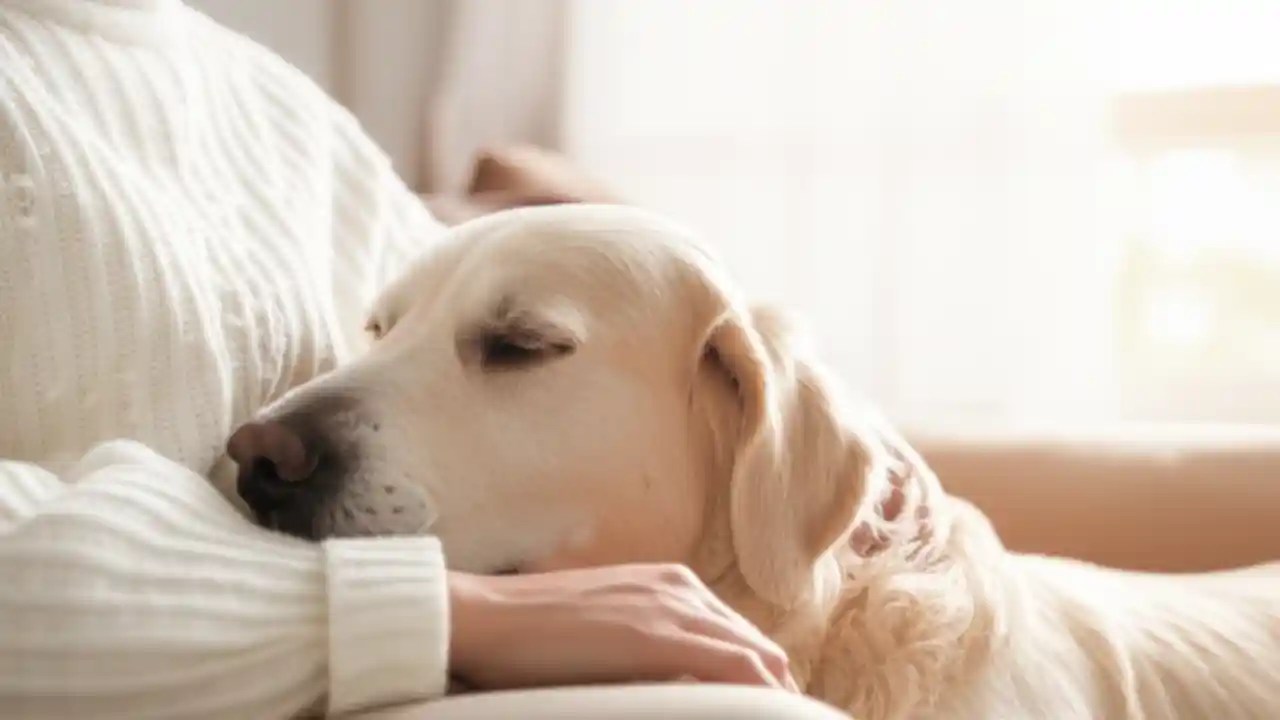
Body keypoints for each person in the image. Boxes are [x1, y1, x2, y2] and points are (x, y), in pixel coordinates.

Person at [0, 1, 841, 718]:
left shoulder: (291, 118)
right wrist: (450, 616)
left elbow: (525, 314)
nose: (264, 448)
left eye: (517, 348)